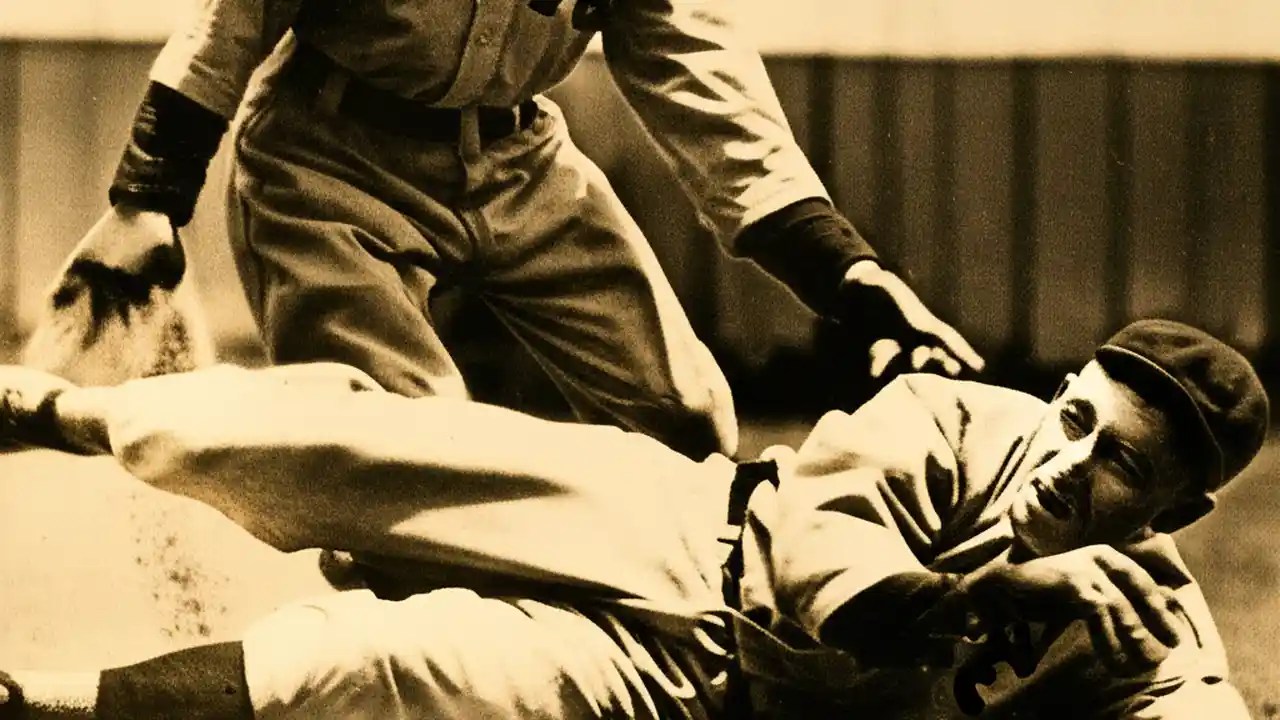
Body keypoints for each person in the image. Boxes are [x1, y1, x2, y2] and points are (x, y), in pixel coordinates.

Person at [0, 319, 1262, 719]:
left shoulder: (1147, 634)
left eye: (1116, 465)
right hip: (670, 524)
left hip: (685, 691)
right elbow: (824, 558)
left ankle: (35, 703)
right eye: (1075, 417)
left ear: (1178, 511)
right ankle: (58, 410)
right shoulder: (961, 420)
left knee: (369, 668)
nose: (1066, 458)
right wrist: (984, 596)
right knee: (325, 444)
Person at [81, 0, 983, 465]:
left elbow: (697, 71)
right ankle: (412, 666)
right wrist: (148, 197)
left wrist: (843, 272)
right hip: (331, 155)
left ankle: (655, 650)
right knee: (403, 455)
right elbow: (230, 21)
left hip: (519, 156)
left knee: (689, 430)